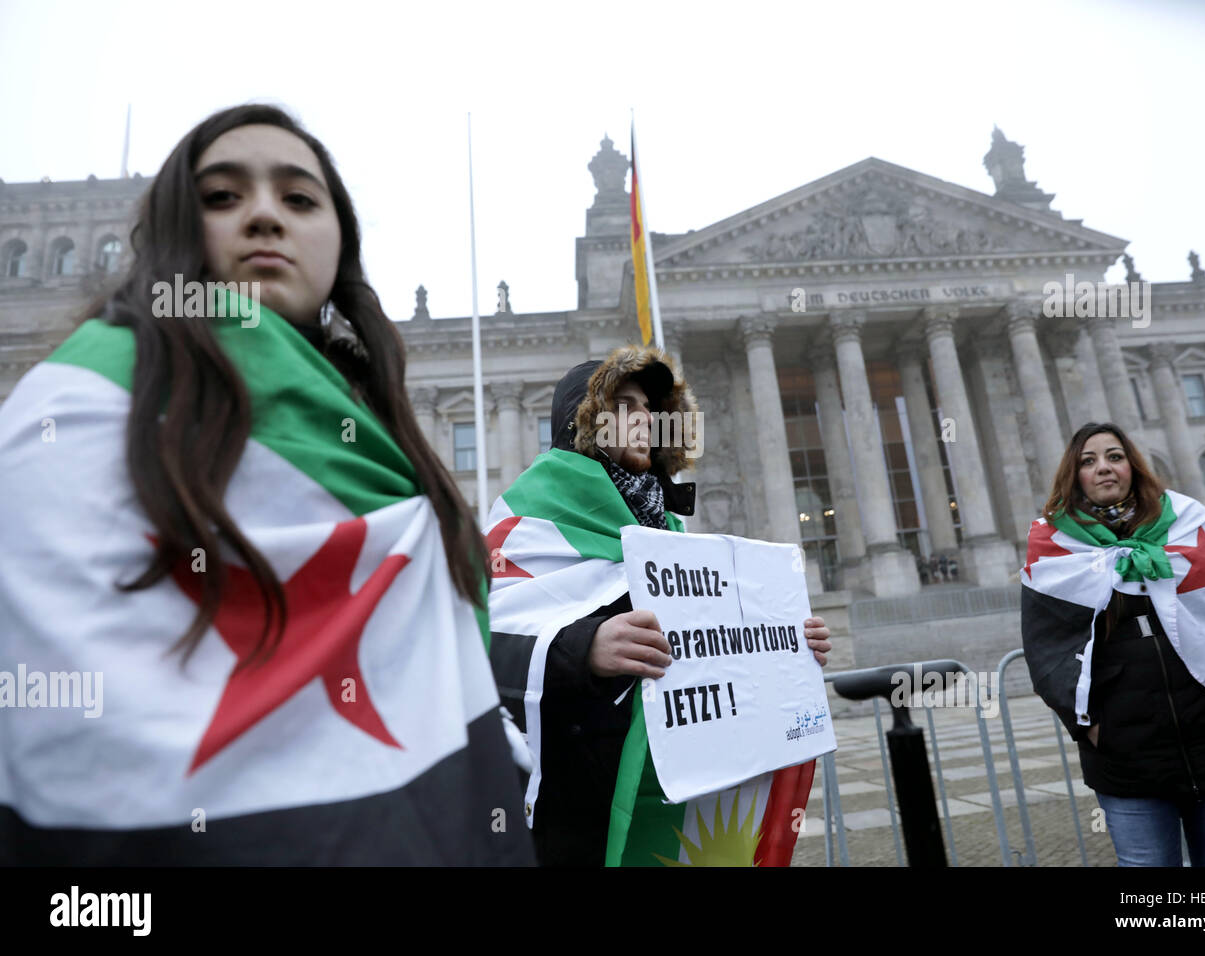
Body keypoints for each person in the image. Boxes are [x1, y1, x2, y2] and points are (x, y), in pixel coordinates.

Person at [0, 104, 533, 865]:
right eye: (221, 197)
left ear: (339, 241)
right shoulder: (81, 399)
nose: (263, 216)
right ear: (181, 231)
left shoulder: (378, 429)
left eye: (299, 199)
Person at [486, 345, 832, 866]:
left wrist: (787, 645)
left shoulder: (667, 528)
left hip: (675, 807)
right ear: (586, 423)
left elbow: (718, 649)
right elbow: (477, 642)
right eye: (624, 405)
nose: (645, 418)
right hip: (576, 814)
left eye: (650, 408)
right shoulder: (525, 523)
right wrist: (583, 647)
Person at [1021, 421, 1205, 867]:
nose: (1104, 468)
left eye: (1115, 456)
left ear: (1132, 466)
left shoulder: (1187, 524)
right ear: (1074, 477)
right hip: (1126, 756)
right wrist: (1090, 726)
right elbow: (1047, 653)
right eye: (1088, 461)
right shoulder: (1057, 551)